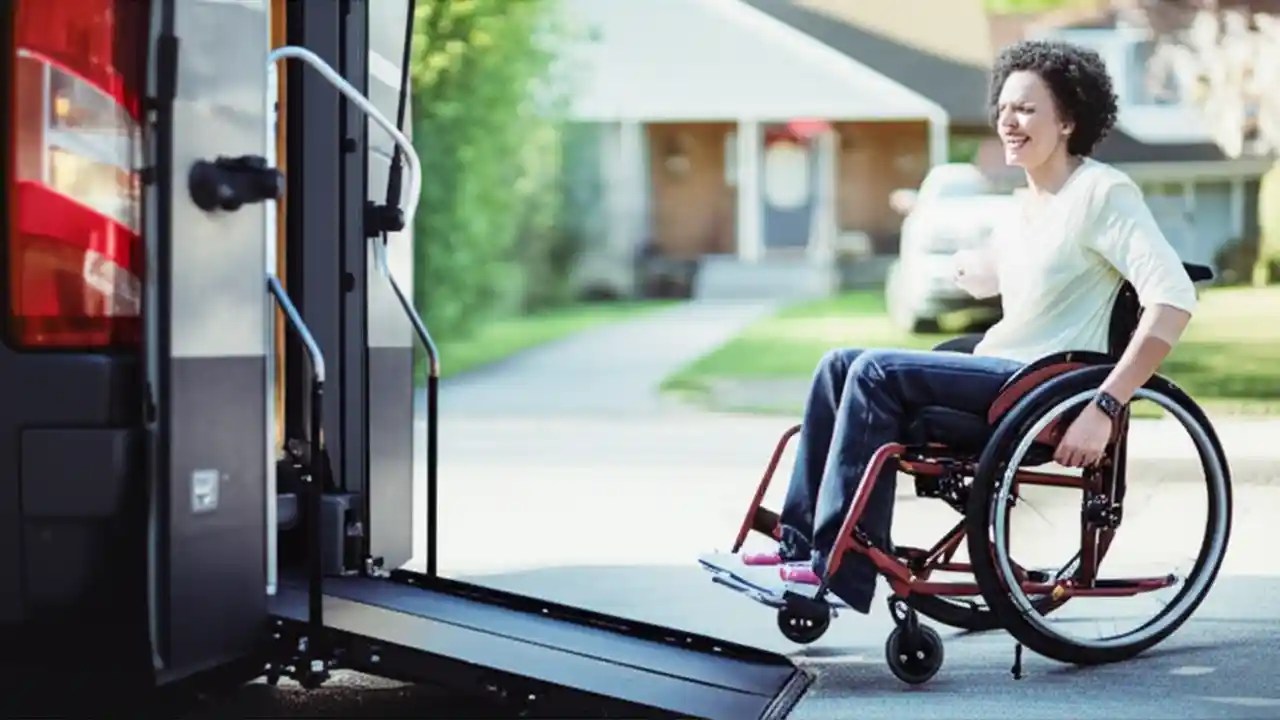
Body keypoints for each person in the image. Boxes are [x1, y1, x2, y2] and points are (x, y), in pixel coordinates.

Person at [755, 39, 1201, 615]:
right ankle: (799, 546)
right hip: (999, 369)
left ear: (1068, 120)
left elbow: (1173, 298)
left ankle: (838, 566)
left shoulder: (1102, 192)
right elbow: (1003, 269)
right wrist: (966, 260)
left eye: (1026, 109)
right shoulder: (1026, 204)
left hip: (1039, 384)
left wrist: (1107, 406)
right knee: (837, 363)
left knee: (872, 370)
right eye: (1003, 107)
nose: (1007, 121)